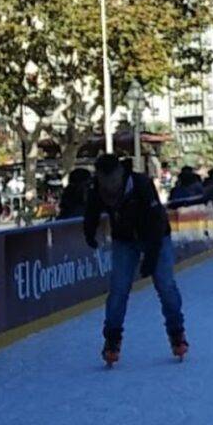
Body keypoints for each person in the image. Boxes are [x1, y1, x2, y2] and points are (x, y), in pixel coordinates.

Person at [83, 153, 188, 366]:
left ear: (121, 173)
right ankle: (112, 339)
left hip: (156, 236)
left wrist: (151, 256)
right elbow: (91, 213)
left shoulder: (141, 184)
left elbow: (156, 221)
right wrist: (89, 233)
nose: (110, 187)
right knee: (119, 290)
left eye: (113, 181)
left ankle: (176, 332)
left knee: (166, 285)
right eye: (105, 181)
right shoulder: (97, 190)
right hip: (124, 240)